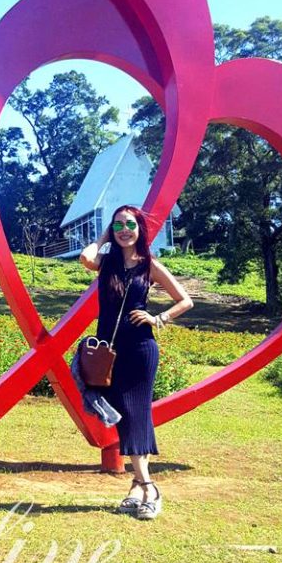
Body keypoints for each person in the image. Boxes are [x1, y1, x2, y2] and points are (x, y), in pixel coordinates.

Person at [80, 205, 193, 520]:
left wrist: (159, 318)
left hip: (140, 348)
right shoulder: (107, 263)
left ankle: (147, 486)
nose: (124, 230)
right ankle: (137, 486)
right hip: (109, 351)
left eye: (130, 224)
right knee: (124, 415)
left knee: (135, 412)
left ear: (141, 229)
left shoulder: (149, 266)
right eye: (118, 225)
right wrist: (104, 234)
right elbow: (85, 257)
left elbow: (185, 300)